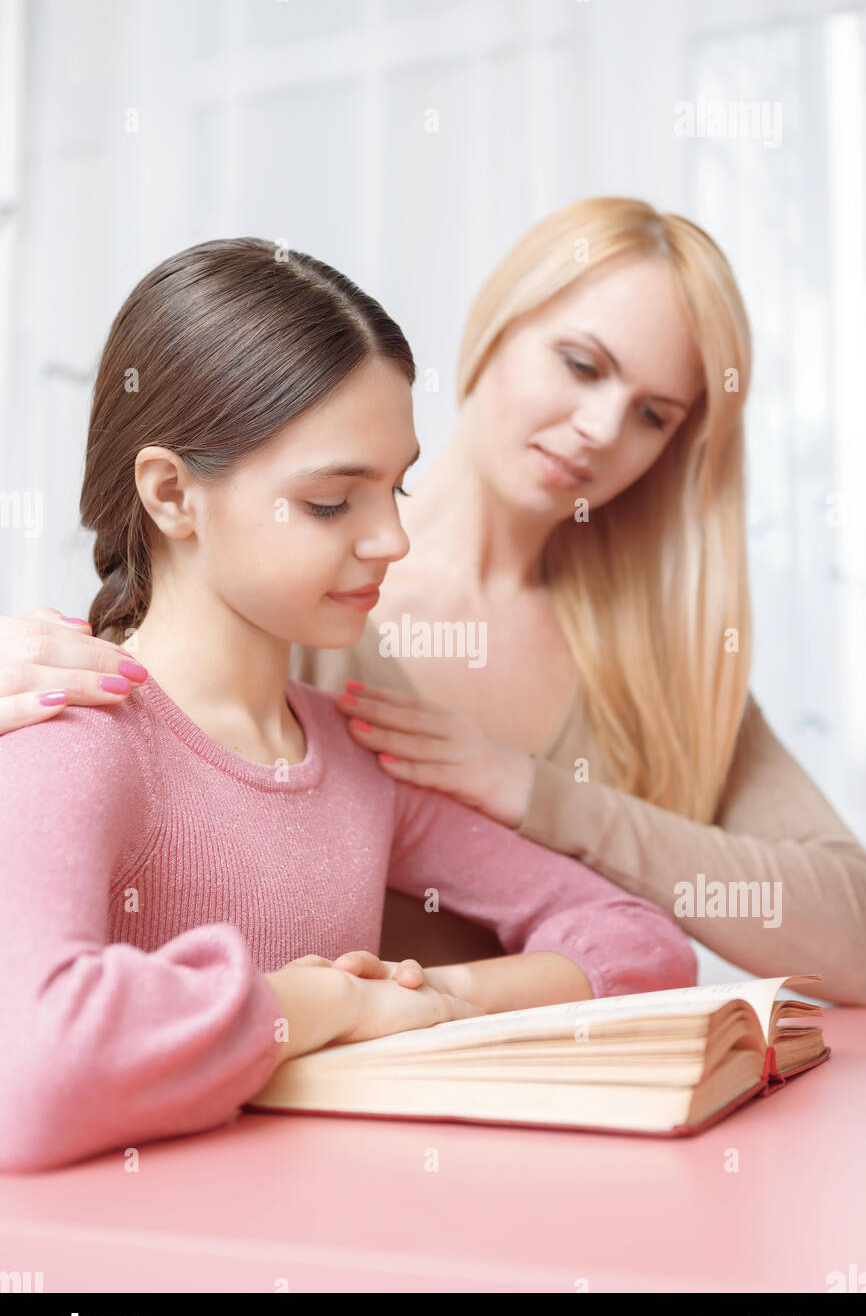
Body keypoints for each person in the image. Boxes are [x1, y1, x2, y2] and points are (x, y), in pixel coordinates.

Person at [6, 200, 863, 1004]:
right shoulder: (292, 603)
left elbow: (838, 933)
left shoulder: (657, 658)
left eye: (653, 414)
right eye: (580, 365)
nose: (602, 427)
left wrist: (545, 801)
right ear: (495, 329)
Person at [0, 237, 696, 1172]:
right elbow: (30, 1073)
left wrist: (429, 996)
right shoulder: (78, 734)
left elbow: (639, 942)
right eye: (333, 503)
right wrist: (320, 1005)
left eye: (397, 485)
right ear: (173, 494)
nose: (394, 538)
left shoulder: (355, 754)